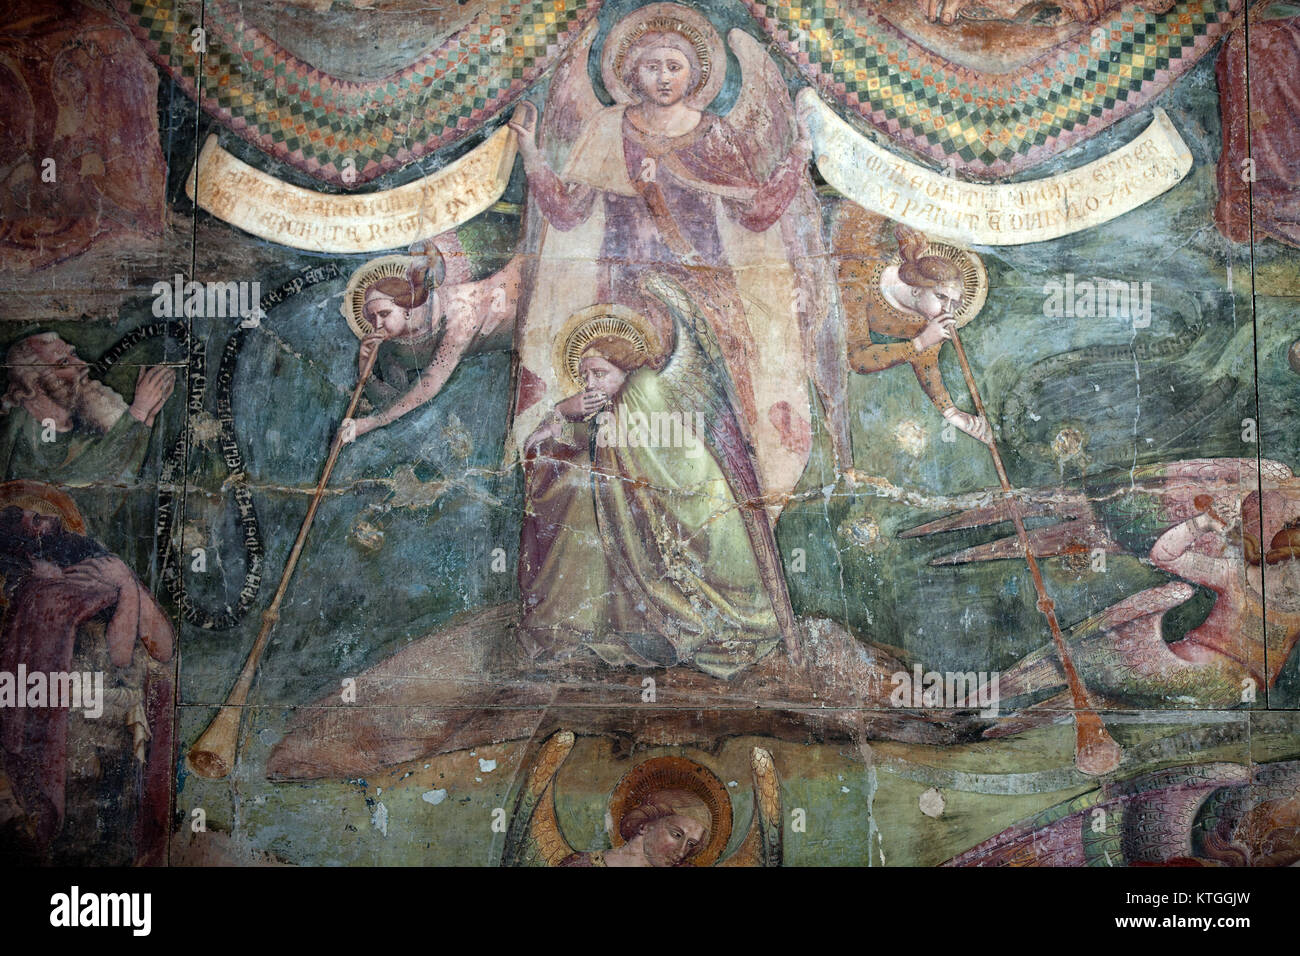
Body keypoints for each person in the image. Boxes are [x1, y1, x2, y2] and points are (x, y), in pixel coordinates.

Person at [506, 3, 850, 513]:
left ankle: (716, 512)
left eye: (675, 66)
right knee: (624, 406)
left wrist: (800, 152)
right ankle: (629, 519)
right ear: (629, 73)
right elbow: (567, 210)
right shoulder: (608, 129)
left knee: (710, 406)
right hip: (621, 292)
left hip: (703, 291)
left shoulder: (713, 133)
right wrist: (532, 153)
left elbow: (756, 213)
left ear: (696, 74)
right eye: (652, 66)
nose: (664, 77)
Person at [519, 285, 798, 677]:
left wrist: (566, 415)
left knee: (583, 495)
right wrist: (559, 419)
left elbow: (618, 453)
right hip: (672, 503)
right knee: (577, 498)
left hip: (696, 507)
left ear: (625, 368)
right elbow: (587, 450)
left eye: (600, 374)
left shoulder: (641, 388)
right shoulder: (614, 402)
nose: (591, 384)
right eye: (584, 376)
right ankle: (607, 625)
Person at [0, 493, 174, 864]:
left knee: (108, 818)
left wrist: (126, 585)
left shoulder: (99, 566)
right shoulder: (29, 586)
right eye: (26, 517)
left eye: (42, 514)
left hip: (110, 712)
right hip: (71, 716)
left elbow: (154, 648)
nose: (38, 521)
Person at [836, 208, 990, 444]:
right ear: (917, 289)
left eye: (954, 303)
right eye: (941, 297)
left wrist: (953, 414)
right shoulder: (858, 277)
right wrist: (920, 343)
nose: (948, 311)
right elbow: (857, 359)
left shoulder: (924, 321)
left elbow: (928, 365)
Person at [0, 332, 174, 483]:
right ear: (36, 385)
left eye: (73, 354)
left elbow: (123, 486)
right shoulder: (28, 435)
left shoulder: (74, 430)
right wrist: (138, 412)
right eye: (64, 362)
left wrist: (146, 418)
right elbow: (75, 484)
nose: (82, 364)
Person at [559, 788, 712, 867]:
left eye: (691, 844)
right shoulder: (579, 863)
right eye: (677, 835)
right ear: (644, 826)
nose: (681, 852)